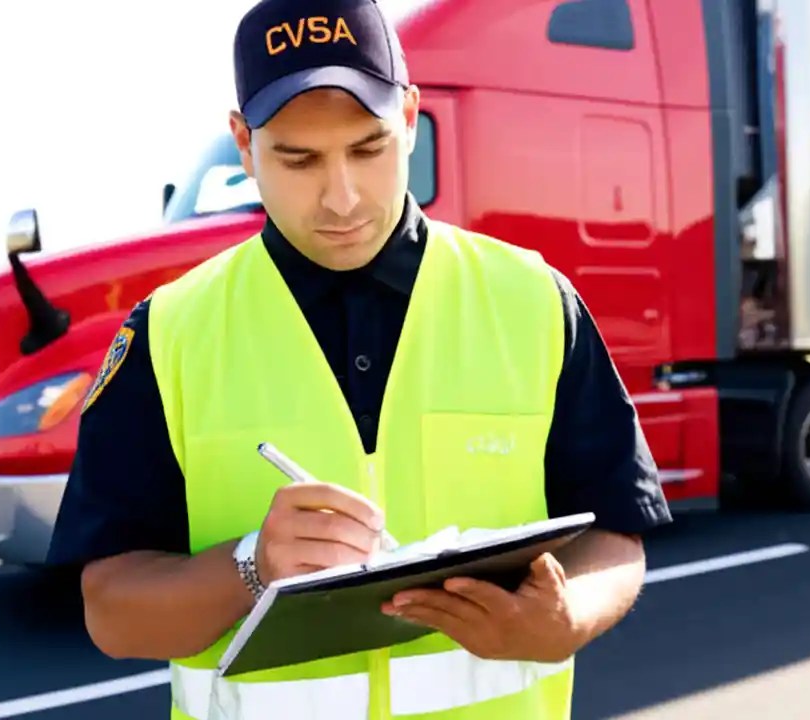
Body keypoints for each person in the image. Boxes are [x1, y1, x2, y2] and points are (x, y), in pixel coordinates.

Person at [47, 0, 672, 717]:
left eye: (368, 148)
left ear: (409, 117)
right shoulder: (170, 333)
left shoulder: (534, 302)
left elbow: (616, 536)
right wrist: (251, 566)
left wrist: (569, 619)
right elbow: (113, 614)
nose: (340, 197)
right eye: (299, 158)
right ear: (243, 144)